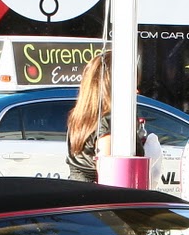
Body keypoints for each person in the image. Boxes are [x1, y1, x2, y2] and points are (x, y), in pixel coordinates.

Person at [65, 52, 157, 183]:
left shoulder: (80, 117)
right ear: (116, 85)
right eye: (132, 83)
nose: (136, 91)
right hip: (100, 198)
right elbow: (111, 175)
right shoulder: (111, 120)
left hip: (78, 193)